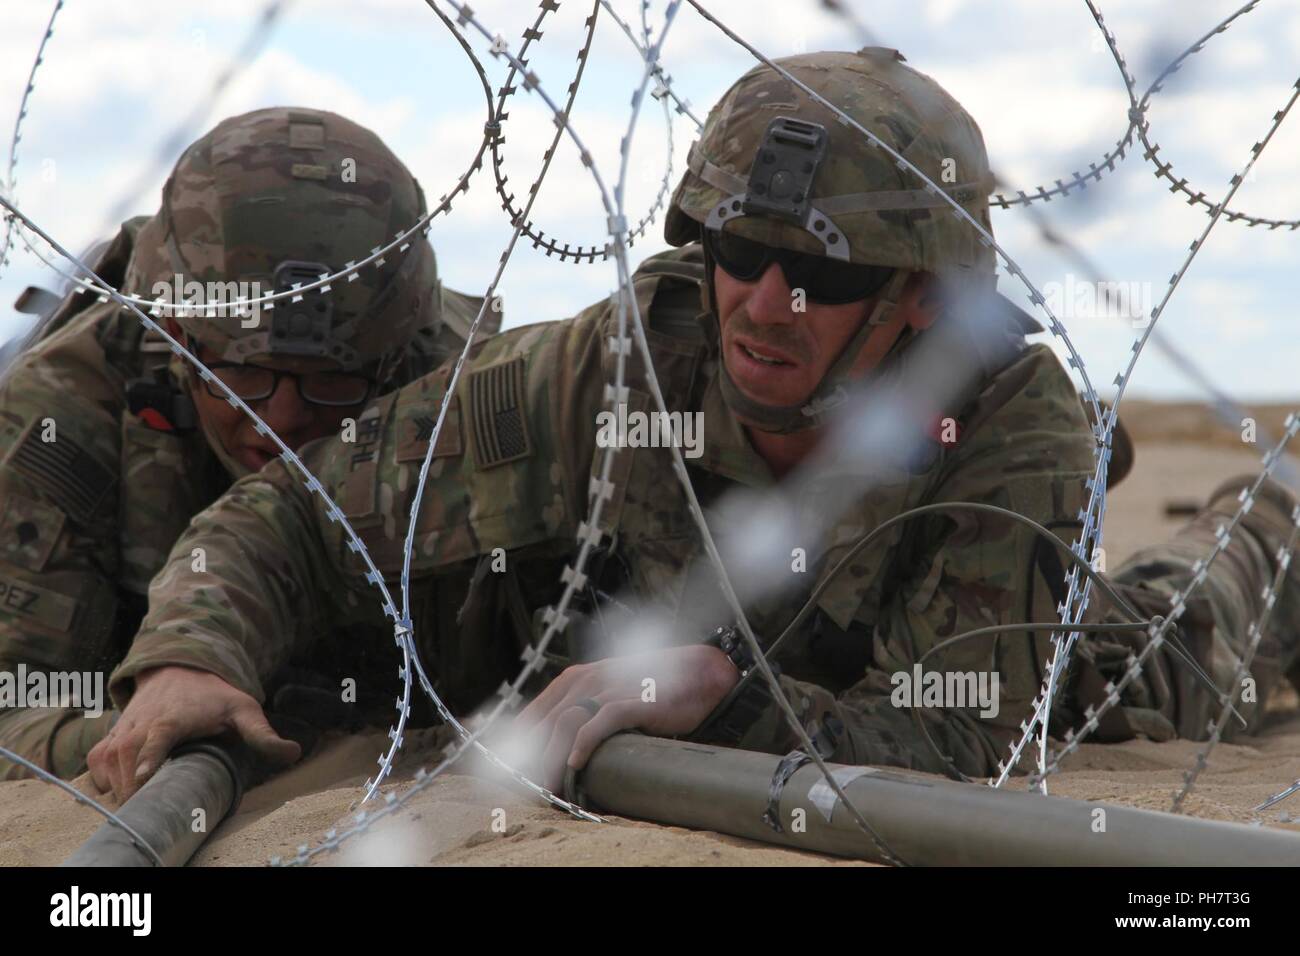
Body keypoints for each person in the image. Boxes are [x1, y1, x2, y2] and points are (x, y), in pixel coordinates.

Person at [87, 49, 1298, 803]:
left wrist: (716, 698)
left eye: (822, 279)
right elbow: (297, 512)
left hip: (1037, 649)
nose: (764, 306)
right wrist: (196, 650)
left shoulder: (1003, 423)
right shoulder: (616, 363)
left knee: (1198, 621)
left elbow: (953, 736)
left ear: (921, 300)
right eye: (744, 253)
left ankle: (1275, 500)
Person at [0, 106, 499, 780]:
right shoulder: (61, 425)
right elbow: (12, 708)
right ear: (179, 340)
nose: (281, 418)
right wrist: (145, 726)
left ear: (393, 361)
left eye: (333, 382)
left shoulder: (461, 392)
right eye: (243, 374)